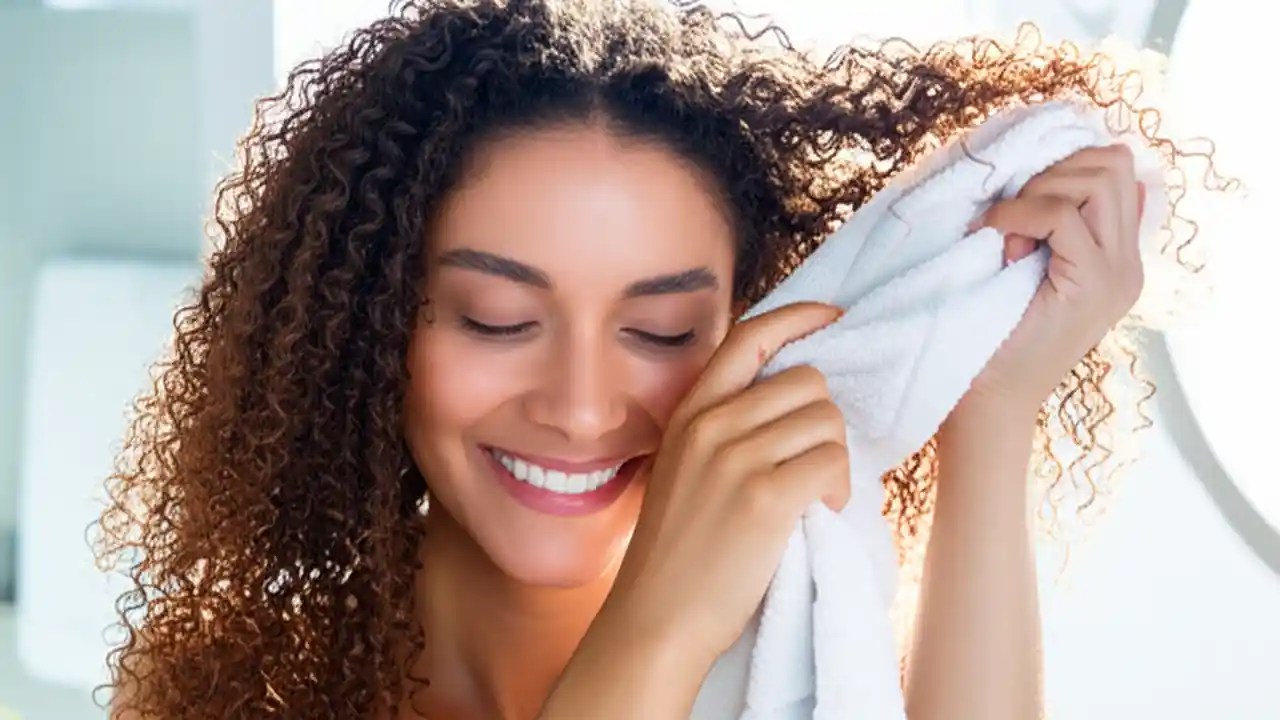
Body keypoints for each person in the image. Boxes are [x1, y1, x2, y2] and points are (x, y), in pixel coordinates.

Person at [96, 0, 1204, 717]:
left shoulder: (806, 636)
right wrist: (655, 629)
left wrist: (989, 404)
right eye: (494, 318)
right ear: (375, 324)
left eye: (661, 333)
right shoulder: (246, 688)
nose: (581, 410)